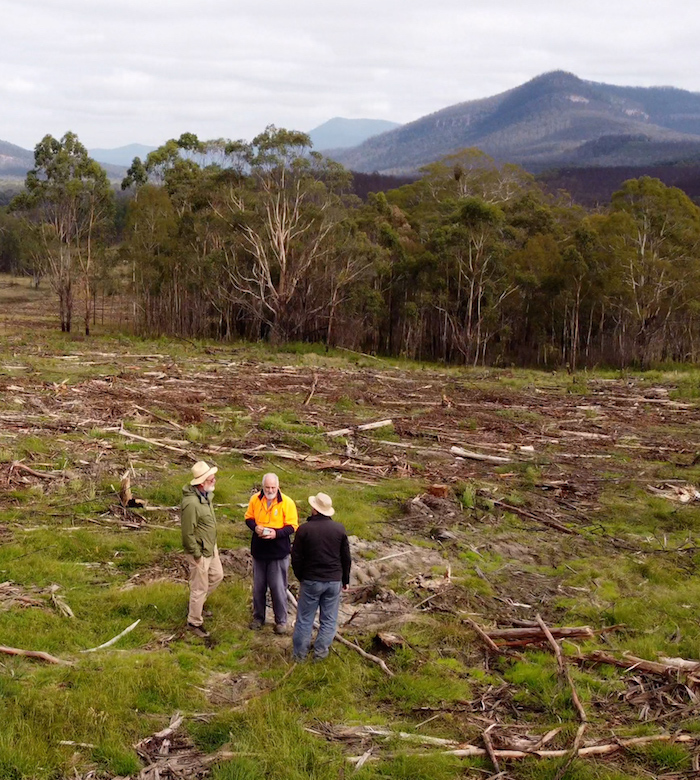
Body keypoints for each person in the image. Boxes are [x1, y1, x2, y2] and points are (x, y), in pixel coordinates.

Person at [291, 492, 351, 662]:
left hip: (310, 580)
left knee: (304, 619)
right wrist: (345, 580)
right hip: (333, 581)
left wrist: (301, 576)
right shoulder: (339, 529)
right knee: (329, 620)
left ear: (314, 509)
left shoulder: (304, 529)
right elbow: (346, 557)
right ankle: (320, 654)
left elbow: (296, 557)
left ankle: (299, 656)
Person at [244, 472, 299, 634]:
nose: (270, 490)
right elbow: (248, 518)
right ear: (263, 486)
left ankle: (281, 621)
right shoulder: (255, 499)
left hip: (278, 552)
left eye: (273, 487)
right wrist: (256, 528)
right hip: (259, 550)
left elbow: (292, 526)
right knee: (259, 587)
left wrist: (276, 534)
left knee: (278, 588)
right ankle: (258, 618)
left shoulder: (287, 503)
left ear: (278, 486)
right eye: (267, 487)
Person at [180, 460, 224, 638]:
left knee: (217, 576)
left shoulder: (206, 496)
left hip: (211, 548)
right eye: (210, 478)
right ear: (201, 482)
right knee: (199, 587)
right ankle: (194, 622)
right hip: (200, 551)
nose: (214, 480)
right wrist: (196, 554)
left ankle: (195, 607)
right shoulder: (191, 503)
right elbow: (187, 533)